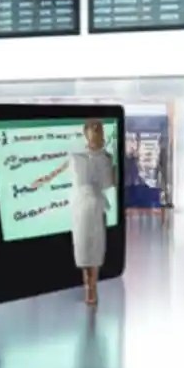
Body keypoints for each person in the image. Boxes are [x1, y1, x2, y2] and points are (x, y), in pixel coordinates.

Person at [71, 119, 115, 306]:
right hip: (82, 207)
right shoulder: (77, 157)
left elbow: (107, 183)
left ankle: (92, 287)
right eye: (94, 132)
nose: (97, 135)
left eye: (99, 132)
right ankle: (88, 287)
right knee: (84, 247)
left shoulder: (105, 158)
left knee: (94, 248)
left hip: (95, 206)